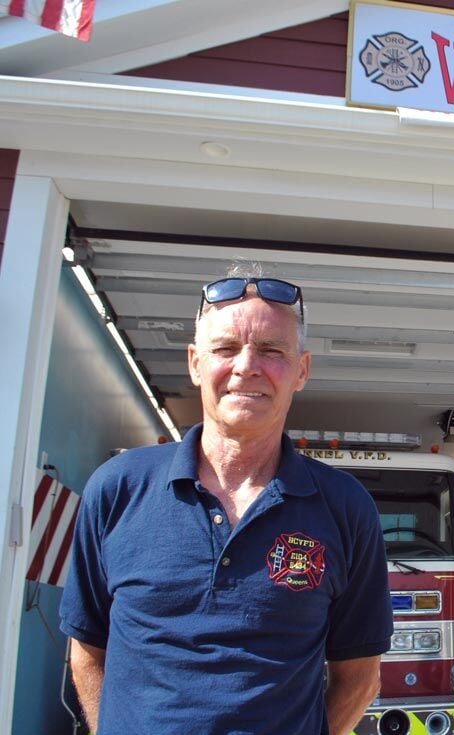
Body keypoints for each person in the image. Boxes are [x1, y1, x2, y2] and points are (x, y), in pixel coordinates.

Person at [60, 266, 393, 734]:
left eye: (272, 350)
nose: (246, 366)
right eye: (225, 349)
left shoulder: (344, 507)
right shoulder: (117, 489)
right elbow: (87, 652)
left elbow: (359, 678)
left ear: (302, 370)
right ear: (195, 363)